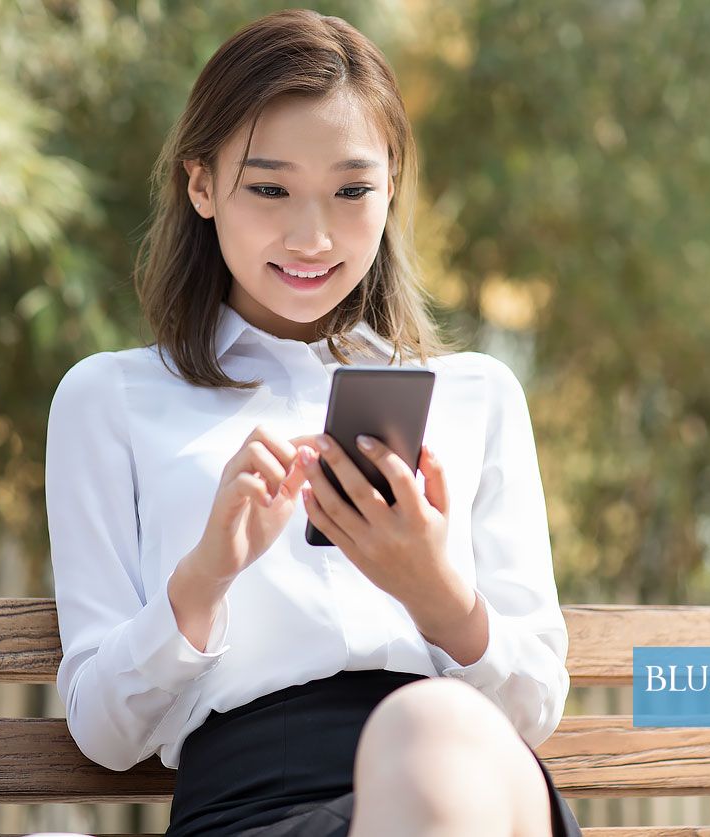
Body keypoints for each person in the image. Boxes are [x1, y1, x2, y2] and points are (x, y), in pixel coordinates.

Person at [44, 9, 580, 837]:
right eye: (269, 188)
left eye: (352, 189)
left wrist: (434, 592)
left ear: (391, 185)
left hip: (470, 784)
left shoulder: (475, 395)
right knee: (430, 735)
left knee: (431, 729)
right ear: (200, 184)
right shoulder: (108, 399)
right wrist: (204, 576)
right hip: (252, 810)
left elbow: (534, 705)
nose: (312, 235)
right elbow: (106, 732)